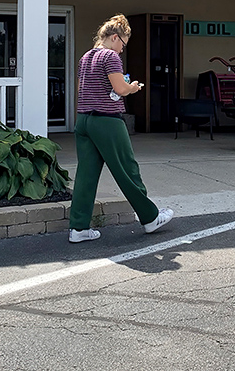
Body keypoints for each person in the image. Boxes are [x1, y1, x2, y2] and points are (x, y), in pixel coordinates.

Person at [69, 13, 174, 243]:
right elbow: (120, 87)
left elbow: (81, 90)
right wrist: (133, 87)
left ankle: (78, 228)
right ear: (115, 37)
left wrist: (116, 90)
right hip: (107, 121)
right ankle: (150, 218)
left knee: (86, 176)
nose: (122, 51)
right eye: (123, 44)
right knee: (127, 170)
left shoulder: (85, 57)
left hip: (84, 120)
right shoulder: (110, 57)